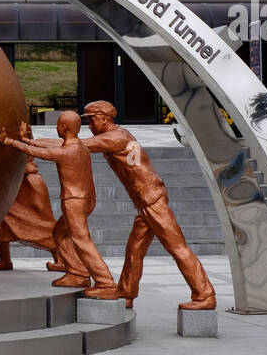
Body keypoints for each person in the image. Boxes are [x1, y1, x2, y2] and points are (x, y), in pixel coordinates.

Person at [79, 100, 216, 310]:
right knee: (135, 248)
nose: (89, 125)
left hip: (152, 200)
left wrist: (27, 143)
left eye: (91, 120)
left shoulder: (113, 138)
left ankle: (204, 294)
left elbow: (75, 147)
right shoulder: (119, 134)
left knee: (178, 248)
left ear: (104, 118)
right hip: (147, 201)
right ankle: (126, 292)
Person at [0, 112, 118, 299]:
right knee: (59, 234)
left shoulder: (66, 151)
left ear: (64, 128)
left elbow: (42, 153)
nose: (57, 128)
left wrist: (9, 141)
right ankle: (77, 273)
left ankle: (106, 283)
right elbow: (47, 144)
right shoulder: (79, 145)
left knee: (82, 241)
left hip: (74, 202)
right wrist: (26, 139)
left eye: (58, 125)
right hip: (86, 200)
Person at [0, 121, 62, 272]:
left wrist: (9, 140)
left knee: (42, 223)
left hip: (27, 183)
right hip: (9, 182)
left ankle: (61, 259)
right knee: (0, 222)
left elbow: (29, 149)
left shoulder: (22, 127)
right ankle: (4, 260)